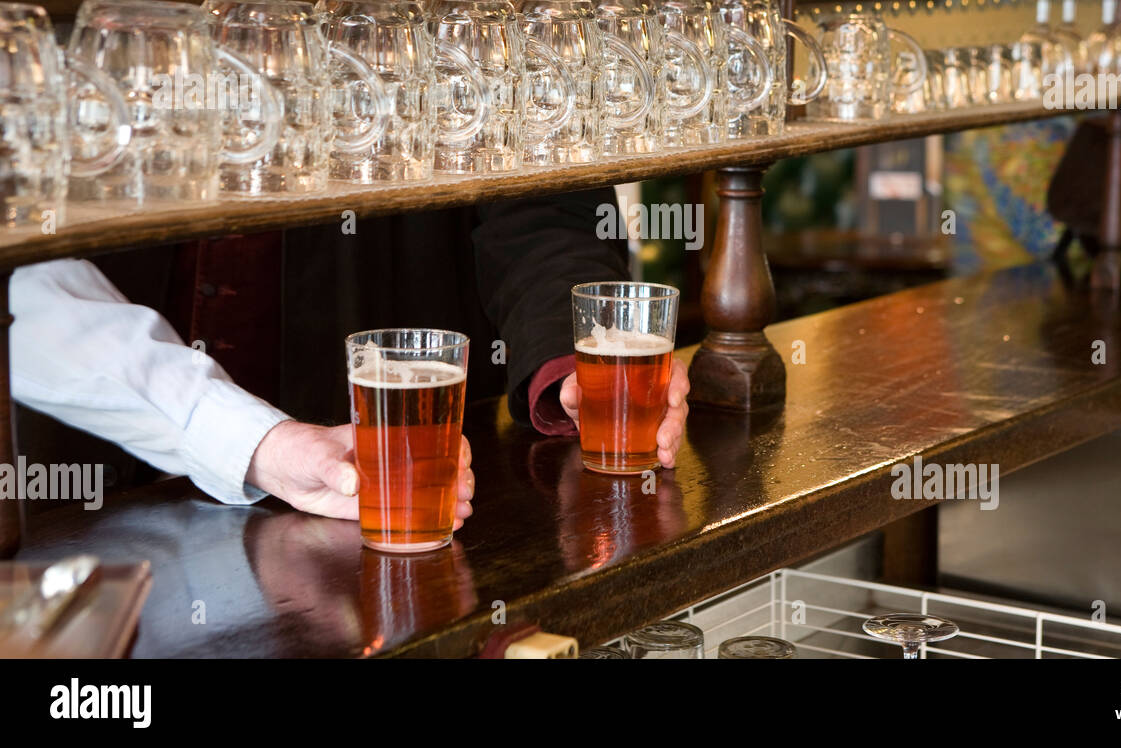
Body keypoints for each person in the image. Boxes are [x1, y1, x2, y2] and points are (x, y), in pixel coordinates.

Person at [10, 189, 690, 520]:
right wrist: (257, 443)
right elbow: (26, 289)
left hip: (372, 504)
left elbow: (541, 208)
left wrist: (577, 360)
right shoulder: (87, 0)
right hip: (102, 516)